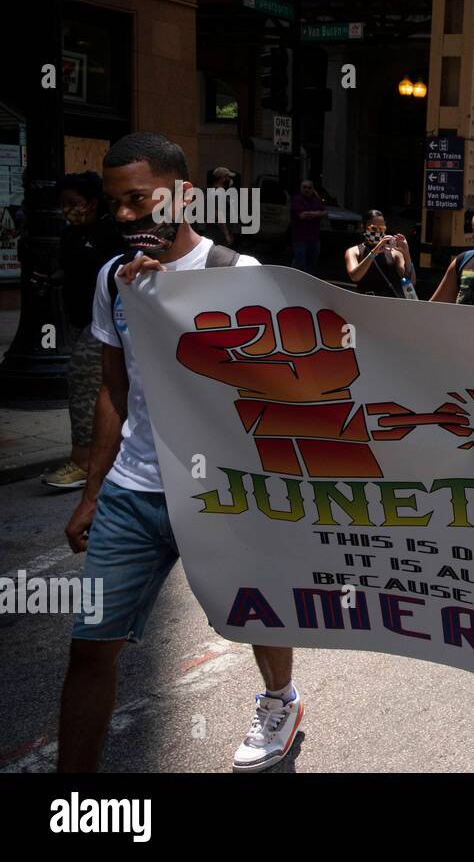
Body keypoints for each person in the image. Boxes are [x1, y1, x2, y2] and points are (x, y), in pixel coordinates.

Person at [58, 132, 303, 774]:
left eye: (138, 200)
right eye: (115, 204)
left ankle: (280, 698)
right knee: (91, 647)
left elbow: (269, 388)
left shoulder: (235, 276)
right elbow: (116, 388)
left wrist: (172, 307)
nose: (124, 217)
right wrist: (93, 491)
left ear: (183, 195)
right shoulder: (115, 278)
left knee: (256, 615)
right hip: (133, 493)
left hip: (219, 492)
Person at [41, 172, 125, 490]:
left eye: (74, 203)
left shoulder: (110, 231)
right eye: (63, 205)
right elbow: (69, 269)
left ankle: (82, 463)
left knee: (81, 382)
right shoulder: (70, 235)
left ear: (93, 203)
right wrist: (51, 277)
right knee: (103, 388)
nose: (68, 210)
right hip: (78, 320)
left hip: (103, 322)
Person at [345, 210, 416, 297]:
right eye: (374, 228)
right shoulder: (354, 251)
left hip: (388, 302)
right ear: (363, 226)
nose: (378, 232)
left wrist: (406, 252)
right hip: (364, 301)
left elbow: (411, 282)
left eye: (381, 228)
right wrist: (374, 252)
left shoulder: (394, 253)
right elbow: (355, 277)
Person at [290, 179, 328, 274]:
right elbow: (302, 216)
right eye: (304, 187)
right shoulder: (297, 199)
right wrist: (317, 213)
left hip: (314, 239)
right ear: (300, 188)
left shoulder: (316, 201)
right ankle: (294, 283)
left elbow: (325, 213)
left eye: (309, 188)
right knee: (300, 265)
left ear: (313, 189)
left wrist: (310, 213)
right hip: (300, 239)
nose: (307, 190)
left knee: (312, 265)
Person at [203, 166, 236, 246]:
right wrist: (227, 235)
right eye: (228, 177)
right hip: (218, 235)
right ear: (223, 178)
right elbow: (218, 214)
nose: (230, 180)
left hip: (215, 233)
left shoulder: (215, 191)